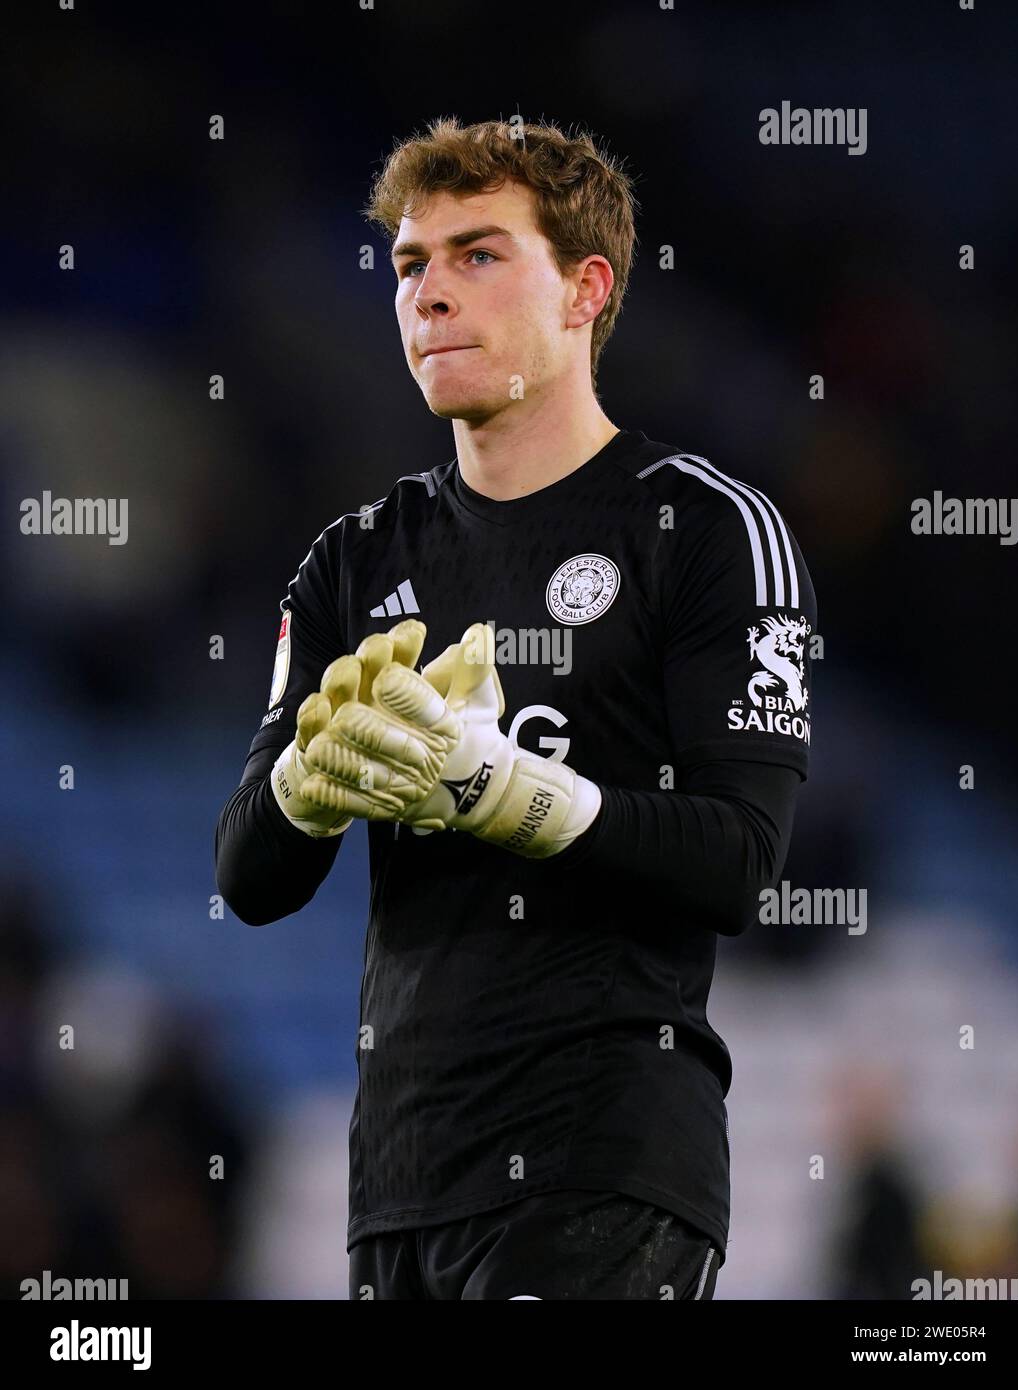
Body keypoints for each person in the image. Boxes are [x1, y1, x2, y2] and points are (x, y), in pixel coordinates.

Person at [215, 116, 817, 1300]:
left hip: (604, 1163)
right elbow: (251, 881)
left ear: (586, 287)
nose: (430, 294)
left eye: (478, 255)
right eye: (409, 265)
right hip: (396, 1182)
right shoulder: (352, 561)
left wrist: (503, 793)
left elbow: (741, 860)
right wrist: (307, 781)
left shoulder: (704, 531)